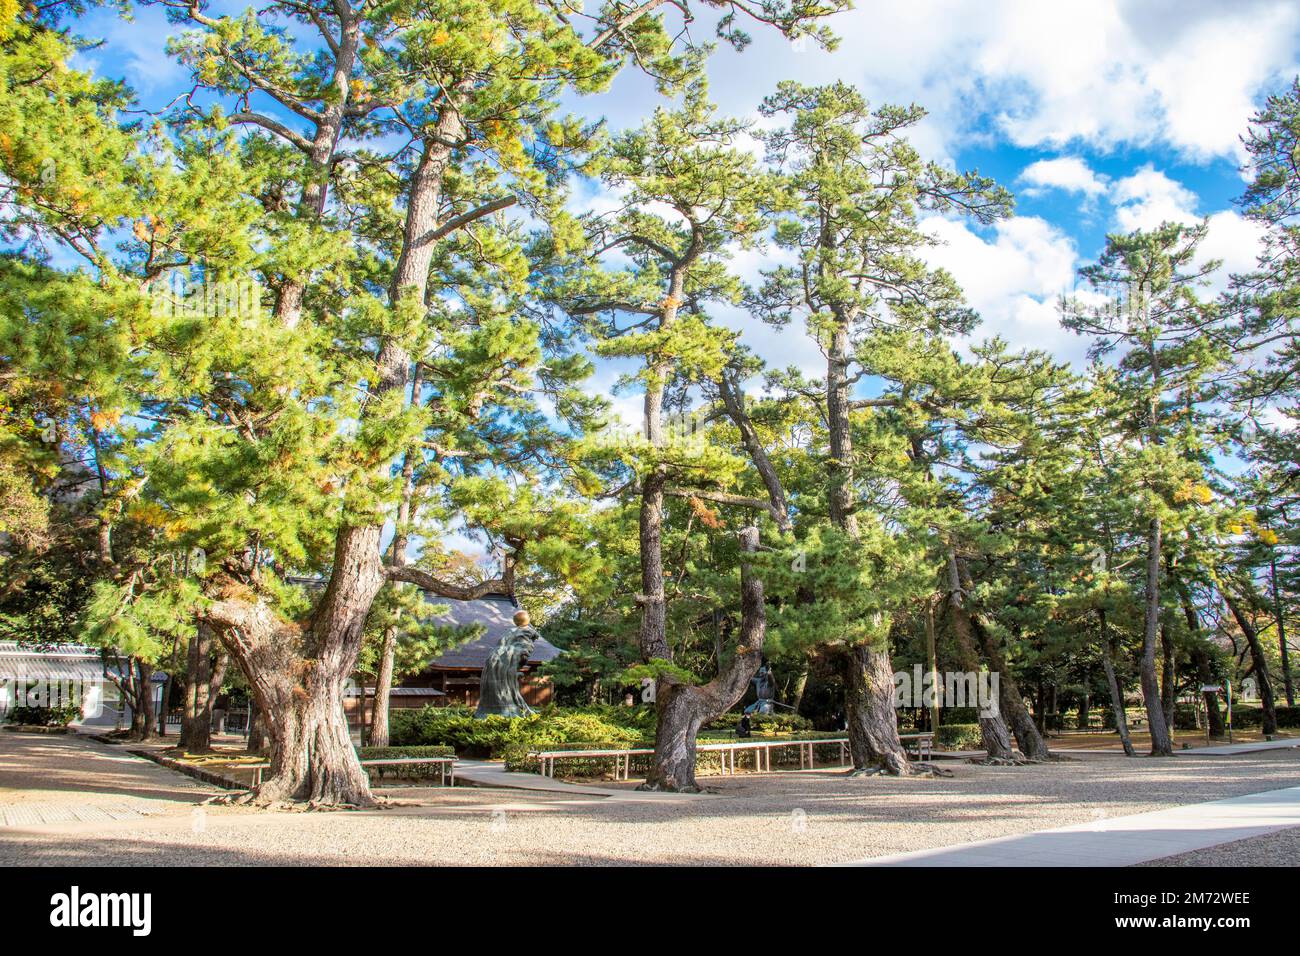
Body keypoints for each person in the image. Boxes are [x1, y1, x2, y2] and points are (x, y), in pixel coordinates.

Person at [474, 610, 541, 719]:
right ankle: (505, 708)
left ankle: (502, 707)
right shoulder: (524, 633)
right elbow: (524, 652)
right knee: (502, 681)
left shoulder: (510, 632)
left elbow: (522, 650)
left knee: (501, 679)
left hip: (496, 659)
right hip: (501, 660)